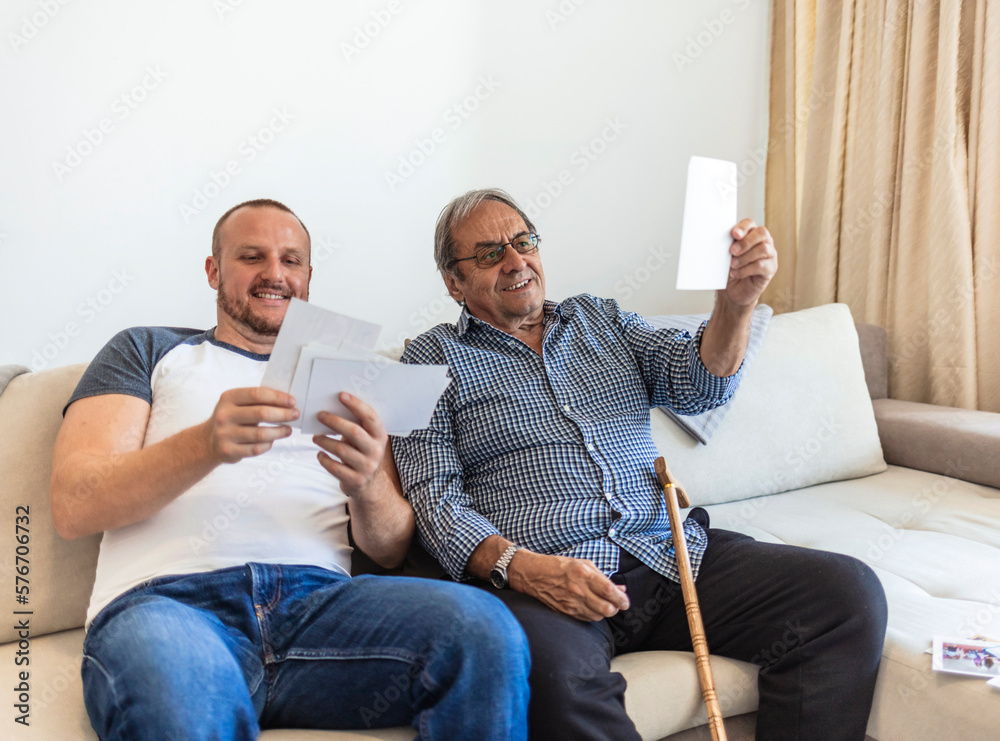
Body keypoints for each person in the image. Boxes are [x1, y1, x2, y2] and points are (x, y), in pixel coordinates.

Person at [392, 188, 888, 741]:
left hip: (669, 549)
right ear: (453, 282)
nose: (515, 262)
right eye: (488, 254)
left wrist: (735, 303)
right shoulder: (430, 358)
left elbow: (697, 382)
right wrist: (526, 569)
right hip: (552, 581)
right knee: (548, 677)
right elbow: (435, 500)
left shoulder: (599, 319)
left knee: (847, 596)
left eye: (524, 241)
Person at [50, 198, 530, 741]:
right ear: (213, 270)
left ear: (307, 276)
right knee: (184, 698)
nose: (274, 274)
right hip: (171, 605)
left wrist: (367, 481)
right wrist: (206, 444)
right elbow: (74, 502)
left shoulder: (358, 374)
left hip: (322, 608)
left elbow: (391, 548)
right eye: (252, 257)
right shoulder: (148, 349)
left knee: (484, 631)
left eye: (291, 260)